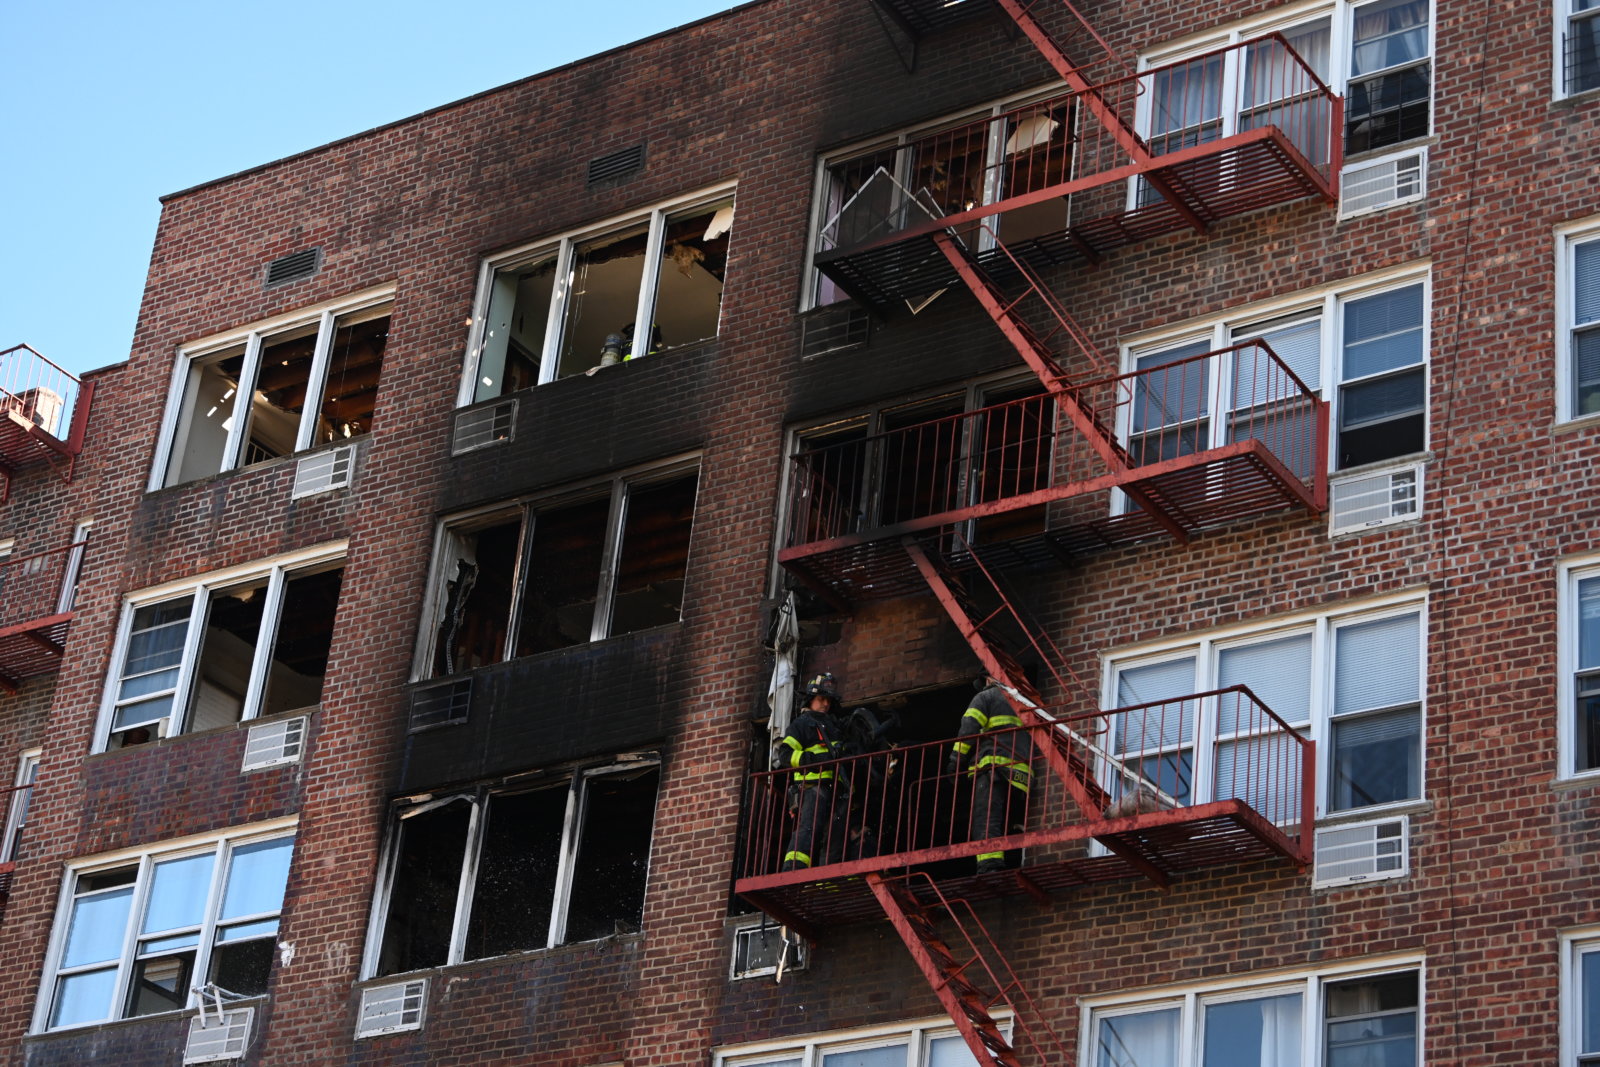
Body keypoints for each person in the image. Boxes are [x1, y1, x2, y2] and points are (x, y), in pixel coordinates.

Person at [949, 676, 1033, 874]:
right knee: (1012, 821)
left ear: (988, 678)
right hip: (1022, 775)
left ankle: (989, 865)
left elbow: (968, 730)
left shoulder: (986, 697)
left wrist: (955, 761)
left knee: (986, 818)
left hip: (993, 767)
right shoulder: (1025, 701)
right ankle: (1015, 860)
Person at [779, 673, 847, 871]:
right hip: (812, 787)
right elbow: (785, 755)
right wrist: (818, 762)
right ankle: (793, 869)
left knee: (833, 834)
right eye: (821, 699)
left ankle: (828, 880)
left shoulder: (832, 726)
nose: (826, 704)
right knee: (809, 828)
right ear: (811, 699)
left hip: (834, 790)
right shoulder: (801, 724)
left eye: (828, 700)